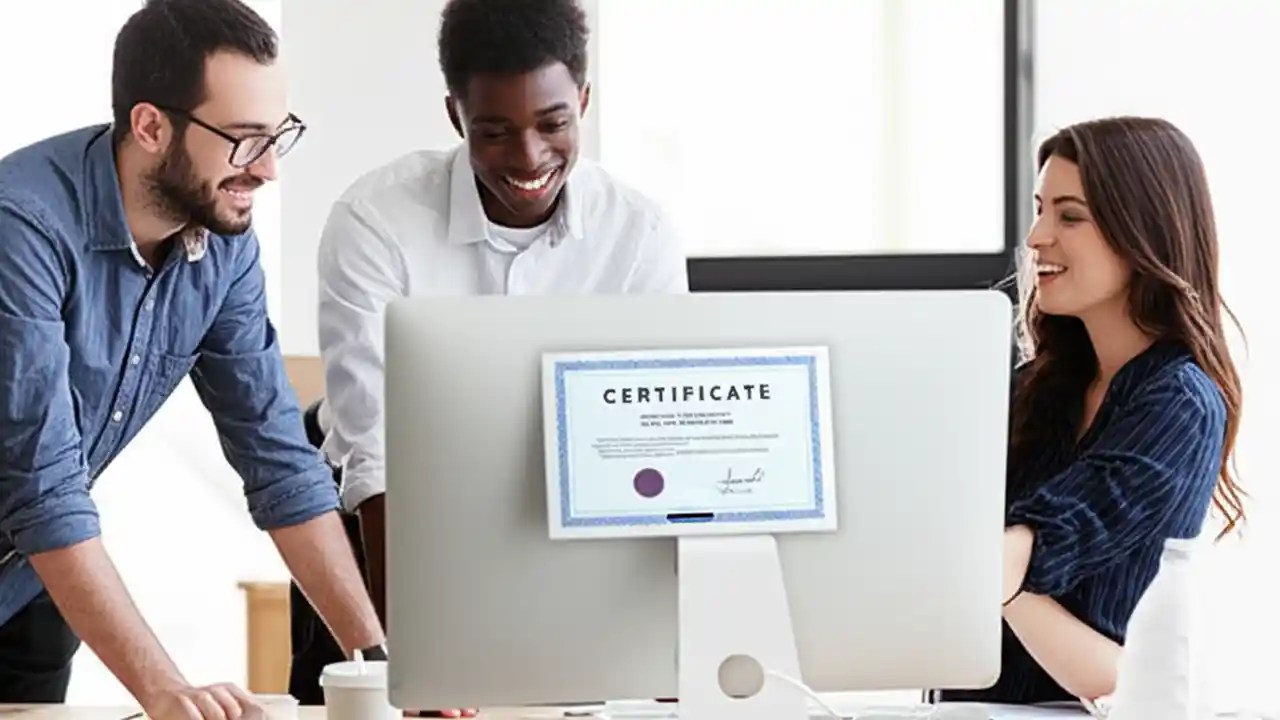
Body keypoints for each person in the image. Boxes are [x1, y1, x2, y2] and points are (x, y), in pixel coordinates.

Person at [293, 0, 687, 709]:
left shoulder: (637, 235)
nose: (529, 157)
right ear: (456, 116)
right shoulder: (376, 221)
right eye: (495, 131)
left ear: (583, 101)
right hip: (392, 530)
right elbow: (375, 451)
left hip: (570, 530)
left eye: (553, 124)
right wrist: (415, 663)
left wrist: (661, 647)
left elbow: (657, 437)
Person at [0, 0, 386, 716]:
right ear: (151, 126)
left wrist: (383, 667)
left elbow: (279, 461)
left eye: (278, 136)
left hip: (31, 583)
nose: (268, 169)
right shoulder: (21, 228)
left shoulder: (224, 248)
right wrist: (164, 689)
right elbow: (42, 485)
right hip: (41, 527)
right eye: (244, 140)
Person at [941, 116, 1245, 706]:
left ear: (1142, 230)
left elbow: (1049, 544)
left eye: (1070, 216)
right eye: (1040, 210)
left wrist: (988, 575)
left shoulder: (1180, 403)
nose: (1036, 237)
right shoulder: (1034, 388)